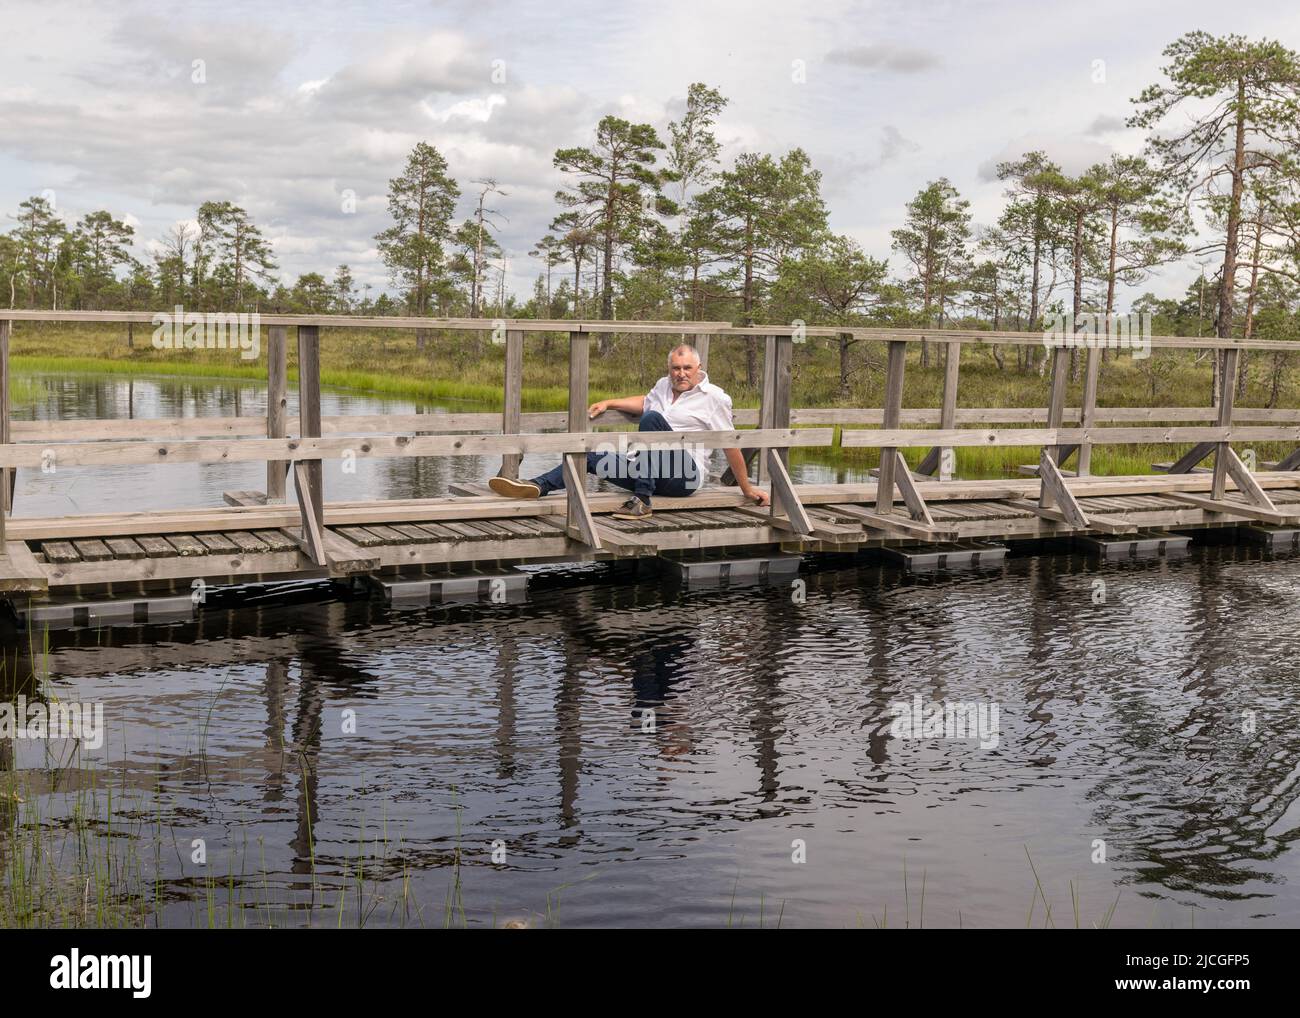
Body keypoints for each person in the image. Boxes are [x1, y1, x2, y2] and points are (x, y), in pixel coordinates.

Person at [488, 344, 770, 519]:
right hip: (646, 470)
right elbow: (644, 402)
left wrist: (745, 488)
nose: (680, 373)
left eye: (687, 368)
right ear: (669, 368)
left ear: (699, 368)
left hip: (685, 477)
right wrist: (610, 402)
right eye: (675, 368)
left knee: (651, 420)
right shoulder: (662, 385)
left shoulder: (714, 397)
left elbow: (730, 443)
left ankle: (643, 501)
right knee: (593, 457)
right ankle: (538, 487)